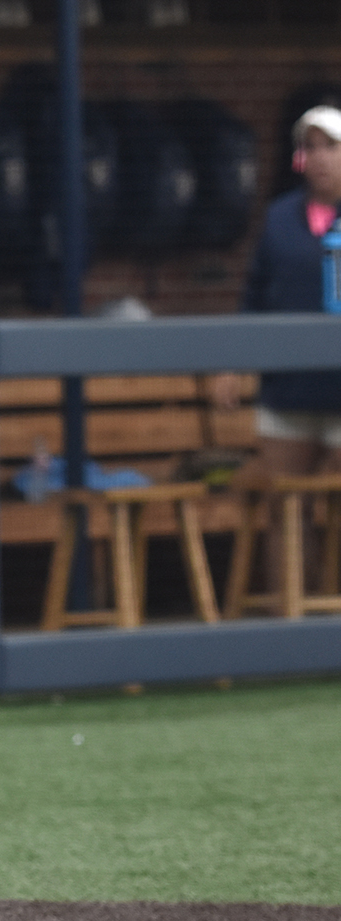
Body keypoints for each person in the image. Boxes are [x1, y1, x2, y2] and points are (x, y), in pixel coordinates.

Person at [211, 105, 341, 594]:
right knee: (287, 510)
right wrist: (233, 360)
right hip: (287, 392)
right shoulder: (278, 218)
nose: (321, 158)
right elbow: (254, 296)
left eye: (331, 146)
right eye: (310, 147)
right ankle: (288, 618)